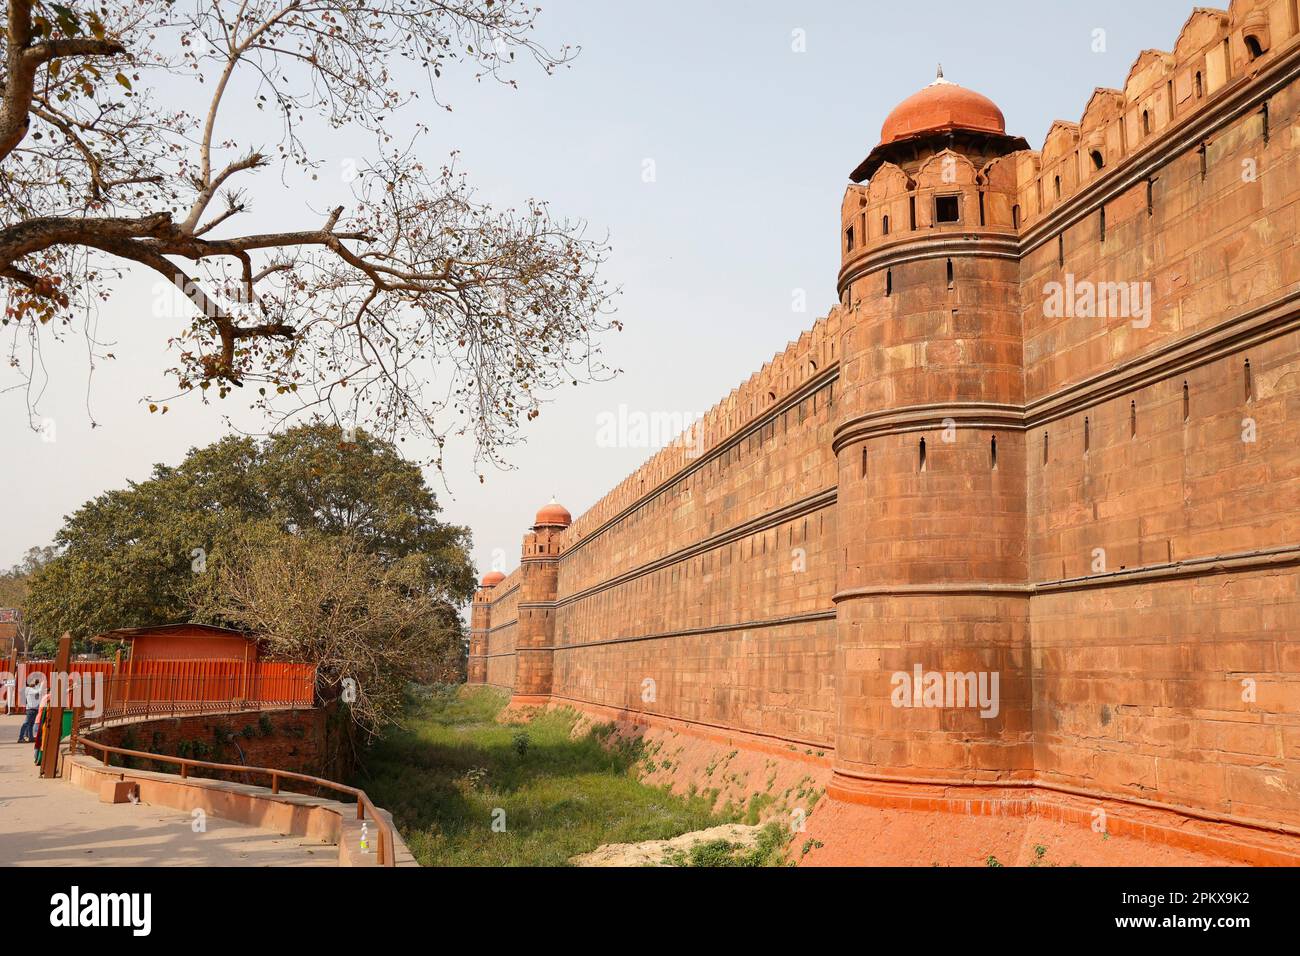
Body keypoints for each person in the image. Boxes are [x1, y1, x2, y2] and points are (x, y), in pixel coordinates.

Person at [17, 677, 41, 743]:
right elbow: (38, 691)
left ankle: (30, 737)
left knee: (30, 725)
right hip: (30, 709)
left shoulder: (32, 688)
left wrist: (37, 684)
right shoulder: (28, 689)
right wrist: (40, 685)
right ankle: (20, 738)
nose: (34, 682)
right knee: (26, 724)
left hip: (34, 709)